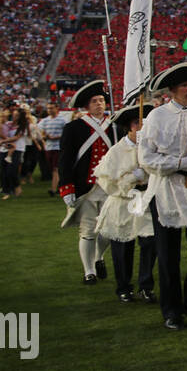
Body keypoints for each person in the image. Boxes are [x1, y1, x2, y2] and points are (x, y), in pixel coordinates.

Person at [139, 63, 187, 331]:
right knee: (167, 254)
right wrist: (181, 163)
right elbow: (146, 158)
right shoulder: (157, 117)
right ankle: (171, 309)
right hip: (166, 190)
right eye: (184, 85)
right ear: (172, 90)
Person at [94, 102, 156, 304]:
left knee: (150, 243)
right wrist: (131, 179)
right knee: (122, 245)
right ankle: (123, 287)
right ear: (130, 126)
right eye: (139, 123)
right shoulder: (116, 151)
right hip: (123, 203)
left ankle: (146, 286)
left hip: (146, 201)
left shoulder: (152, 147)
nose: (142, 128)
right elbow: (107, 182)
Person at [58, 83, 112, 284]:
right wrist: (66, 187)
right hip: (86, 188)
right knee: (88, 231)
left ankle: (99, 257)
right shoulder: (74, 128)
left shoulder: (114, 125)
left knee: (108, 230)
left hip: (110, 187)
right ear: (87, 106)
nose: (99, 104)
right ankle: (89, 270)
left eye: (101, 100)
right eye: (94, 101)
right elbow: (65, 159)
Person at [0, 107, 29, 199]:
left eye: (17, 115)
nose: (14, 117)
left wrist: (4, 141)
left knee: (12, 170)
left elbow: (17, 137)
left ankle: (16, 186)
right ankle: (6, 190)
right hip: (5, 149)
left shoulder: (23, 126)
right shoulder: (7, 124)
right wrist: (0, 141)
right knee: (3, 170)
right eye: (14, 115)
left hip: (17, 149)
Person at [38, 102, 66, 196]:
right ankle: (60, 186)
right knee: (52, 168)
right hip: (48, 147)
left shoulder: (62, 120)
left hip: (58, 147)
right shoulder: (45, 120)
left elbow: (66, 134)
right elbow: (40, 132)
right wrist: (44, 136)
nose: (50, 110)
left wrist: (56, 137)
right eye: (48, 108)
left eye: (51, 108)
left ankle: (53, 189)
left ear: (56, 108)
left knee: (55, 169)